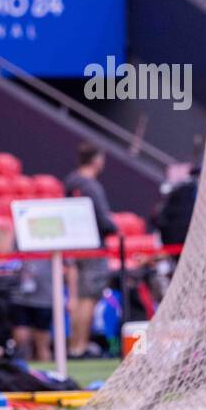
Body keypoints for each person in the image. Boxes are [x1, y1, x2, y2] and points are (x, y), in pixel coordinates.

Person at [63, 142, 118, 358]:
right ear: (96, 160)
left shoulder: (71, 182)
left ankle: (75, 345)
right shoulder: (91, 186)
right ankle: (79, 346)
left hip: (76, 244)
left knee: (79, 297)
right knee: (88, 298)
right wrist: (113, 227)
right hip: (92, 247)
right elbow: (104, 221)